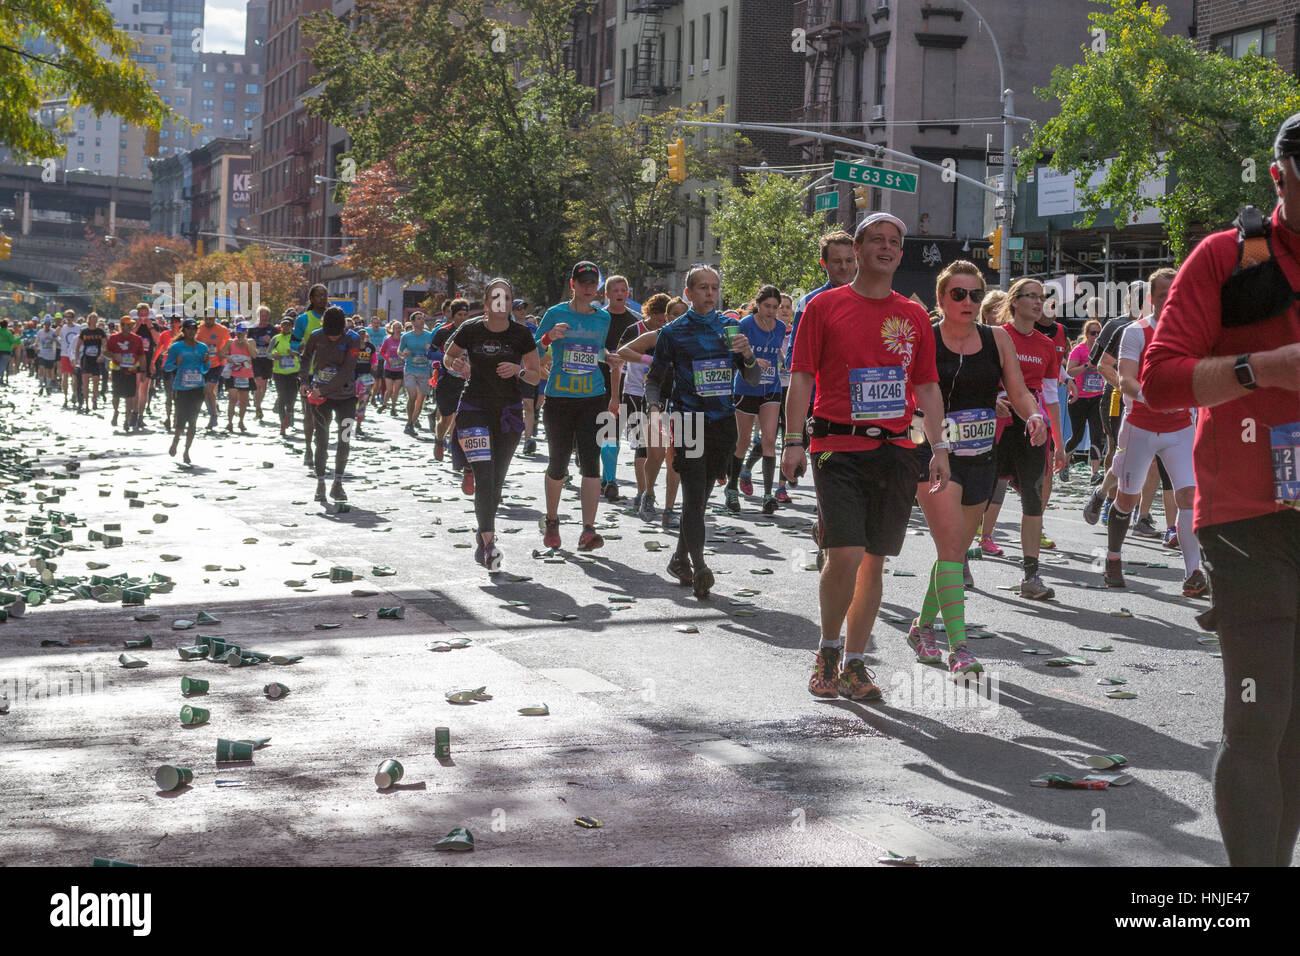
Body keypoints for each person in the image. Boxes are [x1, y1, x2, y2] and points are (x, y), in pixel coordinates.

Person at [1141, 111, 1300, 867]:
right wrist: (1263, 368)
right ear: (1279, 177)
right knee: (1258, 720)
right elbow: (1161, 381)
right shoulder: (1227, 259)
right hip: (1249, 520)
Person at [784, 212, 950, 702]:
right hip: (838, 445)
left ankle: (855, 665)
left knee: (873, 564)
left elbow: (927, 386)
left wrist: (939, 445)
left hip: (897, 449)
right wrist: (793, 440)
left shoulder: (915, 315)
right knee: (845, 555)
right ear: (856, 250)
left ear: (900, 253)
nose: (885, 246)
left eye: (894, 241)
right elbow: (801, 378)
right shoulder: (824, 307)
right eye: (875, 239)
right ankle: (828, 650)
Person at [908, 261, 1047, 673]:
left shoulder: (997, 338)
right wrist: (933, 441)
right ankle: (960, 648)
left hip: (982, 454)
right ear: (941, 299)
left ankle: (921, 627)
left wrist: (1034, 415)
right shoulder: (926, 339)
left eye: (973, 294)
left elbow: (1018, 391)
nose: (967, 302)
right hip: (933, 454)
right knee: (951, 547)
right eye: (957, 294)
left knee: (954, 551)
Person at [644, 266, 763, 597]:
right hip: (688, 422)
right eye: (703, 288)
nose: (710, 293)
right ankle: (700, 567)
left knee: (700, 499)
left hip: (723, 424)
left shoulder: (730, 328)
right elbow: (654, 379)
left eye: (714, 288)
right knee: (694, 497)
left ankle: (679, 558)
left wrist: (748, 355)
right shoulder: (673, 332)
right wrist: (654, 410)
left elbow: (752, 379)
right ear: (689, 293)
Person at [442, 278, 541, 569]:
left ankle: (482, 529)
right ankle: (489, 541)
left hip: (507, 414)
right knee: (485, 478)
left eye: (507, 298)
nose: (502, 302)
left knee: (496, 481)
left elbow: (535, 374)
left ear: (511, 304)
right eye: (496, 297)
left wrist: (518, 370)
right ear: (486, 303)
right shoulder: (471, 329)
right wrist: (457, 365)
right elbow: (448, 356)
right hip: (474, 409)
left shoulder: (522, 334)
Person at [992, 278, 1067, 600]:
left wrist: (1059, 441)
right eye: (1031, 297)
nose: (1039, 303)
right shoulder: (994, 337)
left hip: (1032, 427)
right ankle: (960, 560)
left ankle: (1031, 575)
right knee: (978, 498)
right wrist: (988, 400)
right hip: (995, 425)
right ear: (1014, 302)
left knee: (1033, 500)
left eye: (1042, 298)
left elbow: (1050, 395)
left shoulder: (1046, 345)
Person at [534, 261, 614, 551]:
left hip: (593, 398)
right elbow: (532, 348)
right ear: (573, 285)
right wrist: (548, 336)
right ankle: (552, 520)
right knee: (558, 463)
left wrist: (609, 357)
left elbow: (596, 351)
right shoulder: (555, 314)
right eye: (583, 282)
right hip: (559, 399)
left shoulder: (602, 318)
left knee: (592, 462)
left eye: (593, 282)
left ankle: (589, 530)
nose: (589, 287)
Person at [618, 295, 686, 528]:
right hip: (658, 399)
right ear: (666, 317)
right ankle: (648, 496)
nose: (679, 318)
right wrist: (648, 358)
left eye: (682, 314)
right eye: (674, 314)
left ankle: (669, 510)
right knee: (655, 454)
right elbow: (623, 351)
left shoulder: (693, 338)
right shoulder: (659, 336)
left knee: (675, 458)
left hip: (684, 402)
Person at [727, 285, 786, 514]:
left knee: (769, 440)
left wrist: (781, 360)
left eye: (775, 307)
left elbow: (777, 351)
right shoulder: (745, 325)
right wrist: (754, 361)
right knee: (743, 441)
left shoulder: (780, 327)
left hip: (771, 387)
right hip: (746, 387)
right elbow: (735, 356)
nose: (771, 311)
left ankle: (768, 495)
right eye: (767, 306)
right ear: (758, 304)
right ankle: (732, 489)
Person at [299, 306, 359, 503]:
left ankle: (338, 482)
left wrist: (321, 390)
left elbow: (346, 371)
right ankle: (321, 482)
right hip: (321, 399)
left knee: (345, 439)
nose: (333, 338)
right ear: (323, 326)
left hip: (347, 397)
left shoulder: (353, 339)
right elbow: (306, 357)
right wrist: (304, 381)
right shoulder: (316, 336)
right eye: (329, 334)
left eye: (337, 335)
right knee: (321, 439)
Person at [599, 276, 639, 501]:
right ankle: (608, 479)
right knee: (606, 429)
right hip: (598, 379)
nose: (620, 293)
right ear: (607, 294)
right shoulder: (599, 319)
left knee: (613, 428)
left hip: (626, 382)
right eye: (615, 290)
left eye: (624, 289)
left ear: (628, 294)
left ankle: (608, 478)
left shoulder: (635, 322)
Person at [1064, 319, 1107, 483]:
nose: (1095, 336)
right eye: (1092, 333)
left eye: (1098, 333)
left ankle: (1094, 474)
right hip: (1078, 398)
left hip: (1097, 398)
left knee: (1097, 435)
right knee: (1078, 436)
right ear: (1086, 334)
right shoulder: (1079, 350)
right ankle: (1066, 461)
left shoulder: (1103, 351)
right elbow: (1070, 372)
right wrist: (1087, 366)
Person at [163, 318, 210, 464]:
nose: (191, 331)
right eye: (188, 329)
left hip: (197, 387)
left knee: (193, 421)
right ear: (183, 330)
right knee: (181, 419)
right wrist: (175, 363)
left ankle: (187, 451)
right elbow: (167, 367)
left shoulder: (203, 347)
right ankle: (176, 440)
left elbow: (204, 370)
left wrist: (206, 362)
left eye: (194, 329)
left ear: (197, 331)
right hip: (181, 388)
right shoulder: (176, 347)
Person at [431, 299, 470, 454]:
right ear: (452, 315)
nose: (462, 317)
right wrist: (448, 357)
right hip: (446, 379)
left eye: (466, 314)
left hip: (465, 381)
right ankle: (439, 440)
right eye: (459, 314)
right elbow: (430, 353)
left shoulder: (472, 332)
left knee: (460, 418)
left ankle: (455, 447)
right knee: (446, 418)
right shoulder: (443, 332)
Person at [398, 311, 434, 438]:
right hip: (410, 370)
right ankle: (409, 421)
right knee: (412, 396)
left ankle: (411, 424)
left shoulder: (429, 335)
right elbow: (399, 351)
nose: (422, 320)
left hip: (424, 371)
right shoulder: (406, 337)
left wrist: (430, 349)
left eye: (423, 318)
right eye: (418, 319)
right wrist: (403, 355)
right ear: (412, 322)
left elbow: (435, 351)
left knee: (420, 400)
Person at [105, 314, 144, 431]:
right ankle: (116, 411)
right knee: (116, 395)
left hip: (131, 371)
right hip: (117, 370)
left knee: (129, 397)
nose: (131, 327)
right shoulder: (113, 338)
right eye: (128, 325)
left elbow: (142, 356)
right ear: (122, 326)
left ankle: (126, 420)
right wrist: (114, 355)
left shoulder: (137, 339)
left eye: (132, 325)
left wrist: (143, 371)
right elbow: (106, 353)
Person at [194, 311, 230, 432]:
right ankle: (212, 411)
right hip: (202, 364)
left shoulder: (222, 329)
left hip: (216, 364)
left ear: (215, 318)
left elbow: (229, 343)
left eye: (211, 319)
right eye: (206, 319)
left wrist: (223, 352)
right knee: (206, 393)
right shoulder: (198, 329)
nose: (208, 321)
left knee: (209, 390)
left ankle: (213, 416)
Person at [270, 316, 300, 437]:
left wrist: (295, 353)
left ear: (292, 327)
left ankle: (290, 413)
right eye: (284, 325)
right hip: (279, 373)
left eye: (288, 325)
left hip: (294, 373)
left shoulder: (297, 339)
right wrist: (274, 354)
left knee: (291, 399)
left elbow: (304, 353)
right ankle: (282, 424)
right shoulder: (276, 338)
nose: (286, 327)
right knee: (282, 398)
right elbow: (268, 352)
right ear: (281, 326)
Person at [248, 305, 278, 422]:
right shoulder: (253, 329)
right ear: (258, 316)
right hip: (256, 359)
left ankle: (258, 405)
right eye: (262, 315)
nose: (264, 318)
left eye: (266, 315)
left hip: (267, 359)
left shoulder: (273, 329)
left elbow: (277, 345)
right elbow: (248, 343)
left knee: (263, 386)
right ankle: (258, 408)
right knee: (258, 383)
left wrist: (270, 341)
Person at [224, 322, 256, 432]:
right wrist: (228, 357)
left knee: (243, 400)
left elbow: (254, 355)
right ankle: (229, 422)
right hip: (233, 373)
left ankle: (241, 421)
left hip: (246, 374)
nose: (240, 334)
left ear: (246, 332)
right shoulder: (230, 342)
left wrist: (246, 344)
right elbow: (222, 353)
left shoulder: (250, 341)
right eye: (239, 332)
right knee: (232, 398)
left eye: (243, 332)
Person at [75, 313, 106, 413]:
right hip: (86, 359)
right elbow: (78, 346)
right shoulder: (84, 332)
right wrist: (76, 360)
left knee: (96, 382)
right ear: (89, 320)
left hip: (96, 359)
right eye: (92, 318)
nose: (94, 320)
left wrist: (101, 356)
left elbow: (105, 345)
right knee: (85, 383)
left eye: (95, 318)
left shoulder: (100, 332)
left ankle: (94, 399)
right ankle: (86, 404)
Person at [378, 319, 405, 415]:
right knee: (389, 390)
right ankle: (384, 404)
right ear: (392, 329)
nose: (397, 329)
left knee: (396, 390)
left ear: (401, 329)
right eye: (396, 328)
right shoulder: (388, 340)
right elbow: (381, 352)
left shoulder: (403, 339)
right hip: (389, 368)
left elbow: (407, 350)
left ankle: (393, 408)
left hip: (400, 368)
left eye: (399, 328)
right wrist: (387, 358)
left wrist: (403, 356)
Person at [34, 317, 58, 394]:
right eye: (46, 324)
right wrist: (36, 347)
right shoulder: (40, 332)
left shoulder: (53, 332)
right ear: (44, 324)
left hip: (51, 355)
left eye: (49, 324)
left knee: (49, 371)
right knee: (41, 369)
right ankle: (41, 386)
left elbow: (59, 341)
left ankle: (47, 386)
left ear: (50, 324)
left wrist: (54, 340)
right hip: (42, 353)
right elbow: (37, 341)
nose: (47, 326)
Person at [0, 320, 19, 385]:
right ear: (6, 325)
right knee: (3, 365)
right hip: (6, 351)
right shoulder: (8, 333)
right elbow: (13, 341)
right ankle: (1, 378)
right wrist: (17, 337)